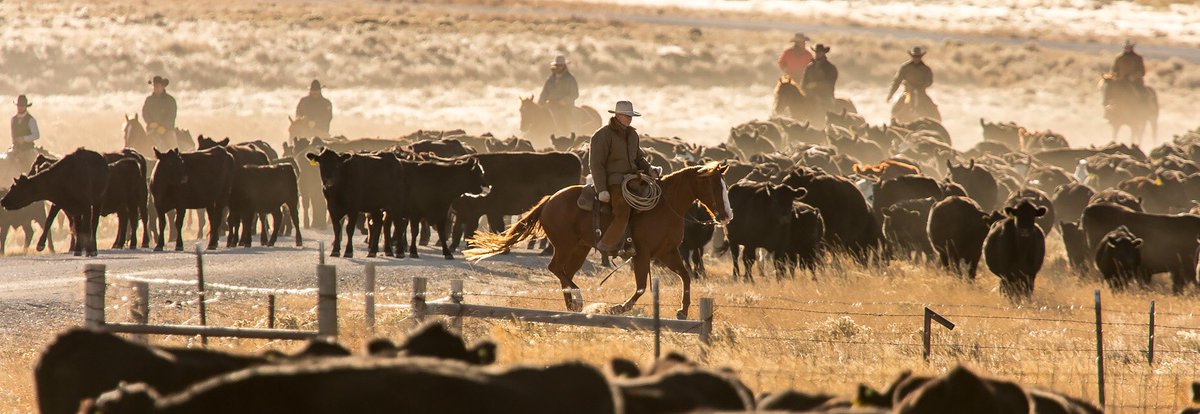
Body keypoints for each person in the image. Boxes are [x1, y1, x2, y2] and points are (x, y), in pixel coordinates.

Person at [590, 101, 655, 257]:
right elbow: (596, 164)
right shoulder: (603, 135)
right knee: (623, 210)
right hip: (614, 181)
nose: (629, 119)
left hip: (633, 179)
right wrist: (602, 189)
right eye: (627, 116)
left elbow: (639, 158)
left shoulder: (632, 134)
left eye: (631, 116)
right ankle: (608, 245)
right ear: (617, 115)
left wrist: (650, 169)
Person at [887, 46, 935, 115]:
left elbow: (929, 81)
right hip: (907, 92)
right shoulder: (905, 67)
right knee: (895, 110)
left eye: (918, 56)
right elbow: (897, 81)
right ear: (912, 56)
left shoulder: (926, 69)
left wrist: (921, 85)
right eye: (915, 56)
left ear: (921, 57)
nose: (916, 58)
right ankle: (893, 123)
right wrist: (890, 94)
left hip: (921, 93)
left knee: (932, 110)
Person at [538, 55, 579, 131]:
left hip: (566, 106)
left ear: (564, 66)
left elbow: (575, 94)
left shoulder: (570, 79)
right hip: (551, 104)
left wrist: (565, 101)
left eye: (560, 65)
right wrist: (540, 104)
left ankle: (570, 135)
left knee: (568, 122)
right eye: (557, 65)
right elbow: (544, 93)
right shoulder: (550, 79)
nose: (558, 67)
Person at [141, 76, 177, 150]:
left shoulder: (170, 100)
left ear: (163, 87)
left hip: (167, 130)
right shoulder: (149, 100)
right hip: (151, 130)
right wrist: (151, 123)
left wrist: (164, 127)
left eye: (157, 86)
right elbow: (145, 113)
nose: (155, 88)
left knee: (172, 147)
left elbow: (172, 115)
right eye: (154, 86)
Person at [1108, 39, 1146, 105]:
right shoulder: (1119, 58)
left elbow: (1142, 71)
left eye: (1129, 47)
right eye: (1126, 47)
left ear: (1132, 47)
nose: (1128, 48)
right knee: (1111, 92)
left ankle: (1145, 109)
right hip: (1121, 81)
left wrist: (1133, 77)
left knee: (1142, 93)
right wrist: (1114, 76)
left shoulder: (1138, 58)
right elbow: (1113, 70)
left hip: (1135, 82)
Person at [801, 44, 838, 112]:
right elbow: (803, 83)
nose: (818, 54)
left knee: (829, 110)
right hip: (809, 95)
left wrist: (815, 85)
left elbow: (830, 83)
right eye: (816, 52)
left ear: (824, 53)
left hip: (825, 95)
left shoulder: (830, 68)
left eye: (820, 52)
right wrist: (805, 88)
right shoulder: (809, 67)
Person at [10, 95, 39, 169]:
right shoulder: (13, 119)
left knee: (30, 168)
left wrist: (24, 139)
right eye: (19, 105)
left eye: (22, 106)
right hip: (15, 150)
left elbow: (36, 135)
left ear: (26, 107)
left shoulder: (31, 120)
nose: (20, 107)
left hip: (28, 150)